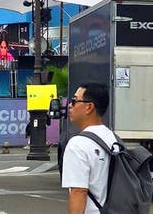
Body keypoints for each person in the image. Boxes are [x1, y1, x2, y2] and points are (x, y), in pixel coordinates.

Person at [61, 83, 117, 214]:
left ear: (89, 107)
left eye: (74, 101)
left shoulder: (78, 145)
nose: (70, 105)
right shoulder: (113, 138)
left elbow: (78, 191)